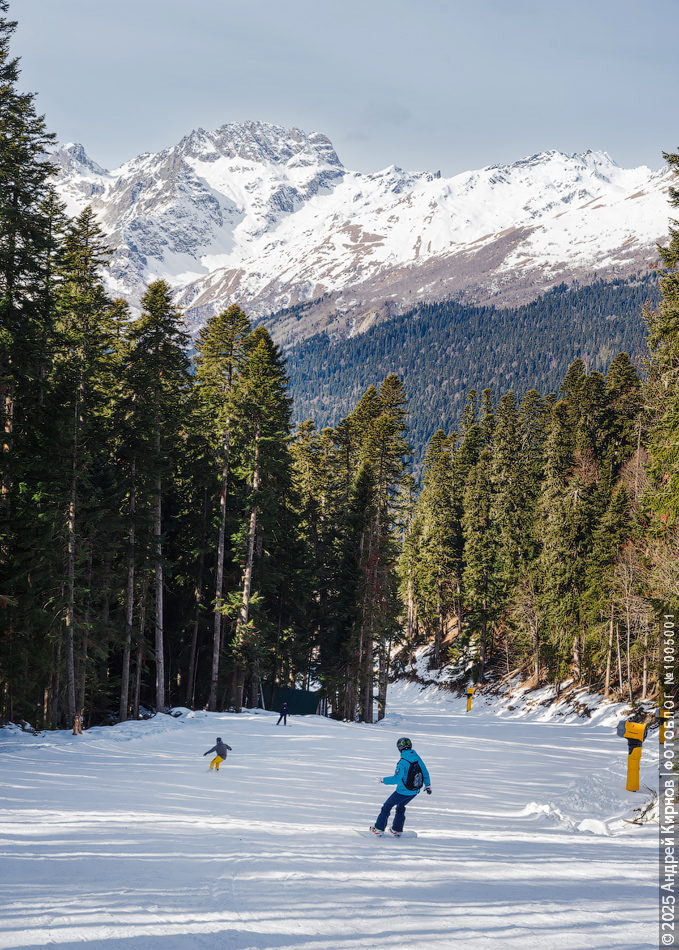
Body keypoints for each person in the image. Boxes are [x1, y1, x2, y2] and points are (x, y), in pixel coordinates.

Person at [370, 737, 431, 836]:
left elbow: (396, 779)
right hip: (415, 791)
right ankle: (397, 829)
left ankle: (379, 828)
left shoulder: (403, 762)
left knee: (387, 806)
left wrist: (383, 780)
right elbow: (425, 771)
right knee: (401, 806)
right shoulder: (416, 757)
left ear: (399, 748)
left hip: (403, 791)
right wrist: (428, 785)